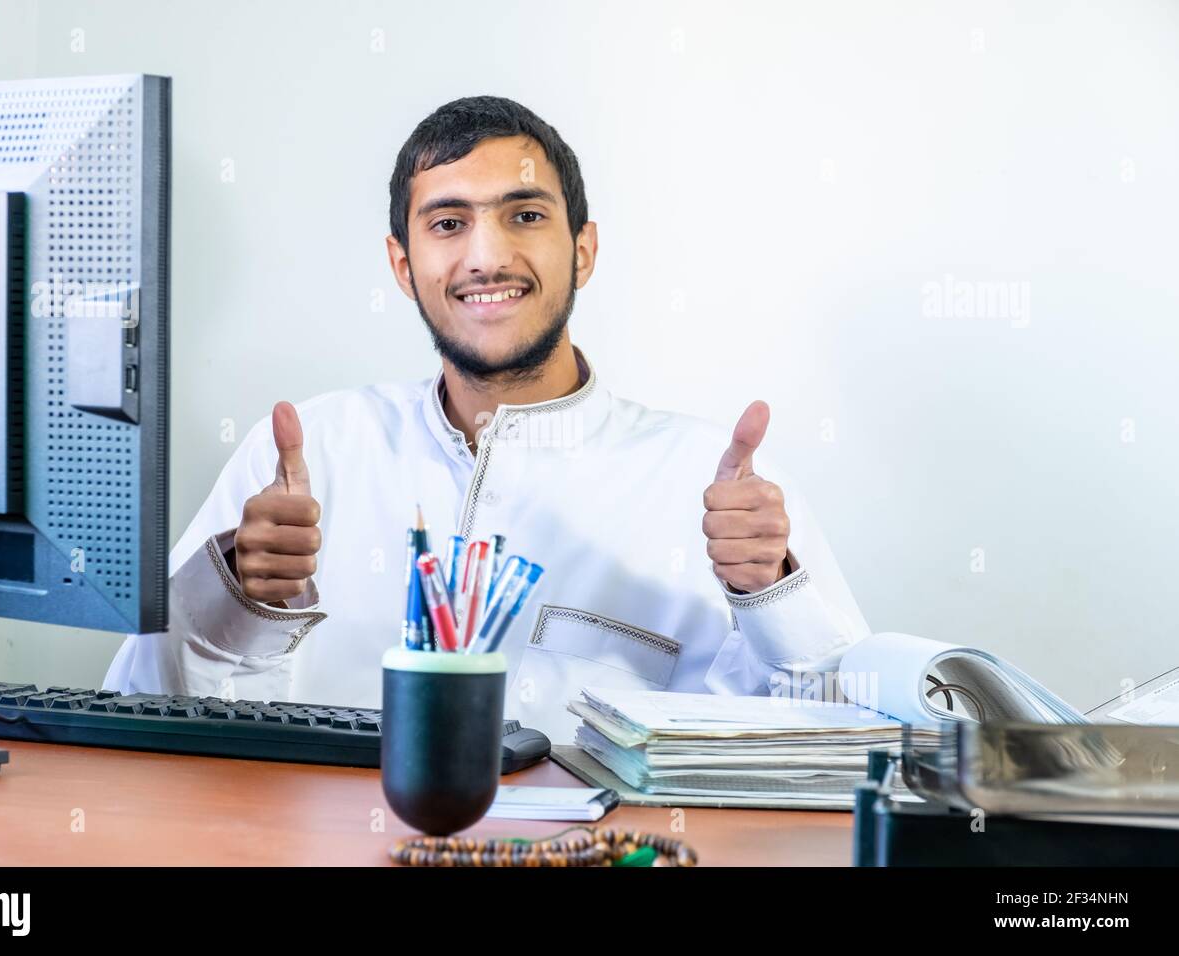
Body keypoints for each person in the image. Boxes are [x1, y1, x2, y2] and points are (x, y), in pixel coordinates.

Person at [104, 95, 869, 742]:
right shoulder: (315, 455)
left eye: (525, 214)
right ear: (403, 266)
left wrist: (771, 592)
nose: (486, 257)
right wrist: (238, 597)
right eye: (446, 224)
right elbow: (138, 710)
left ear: (584, 250)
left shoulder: (715, 489)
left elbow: (850, 739)